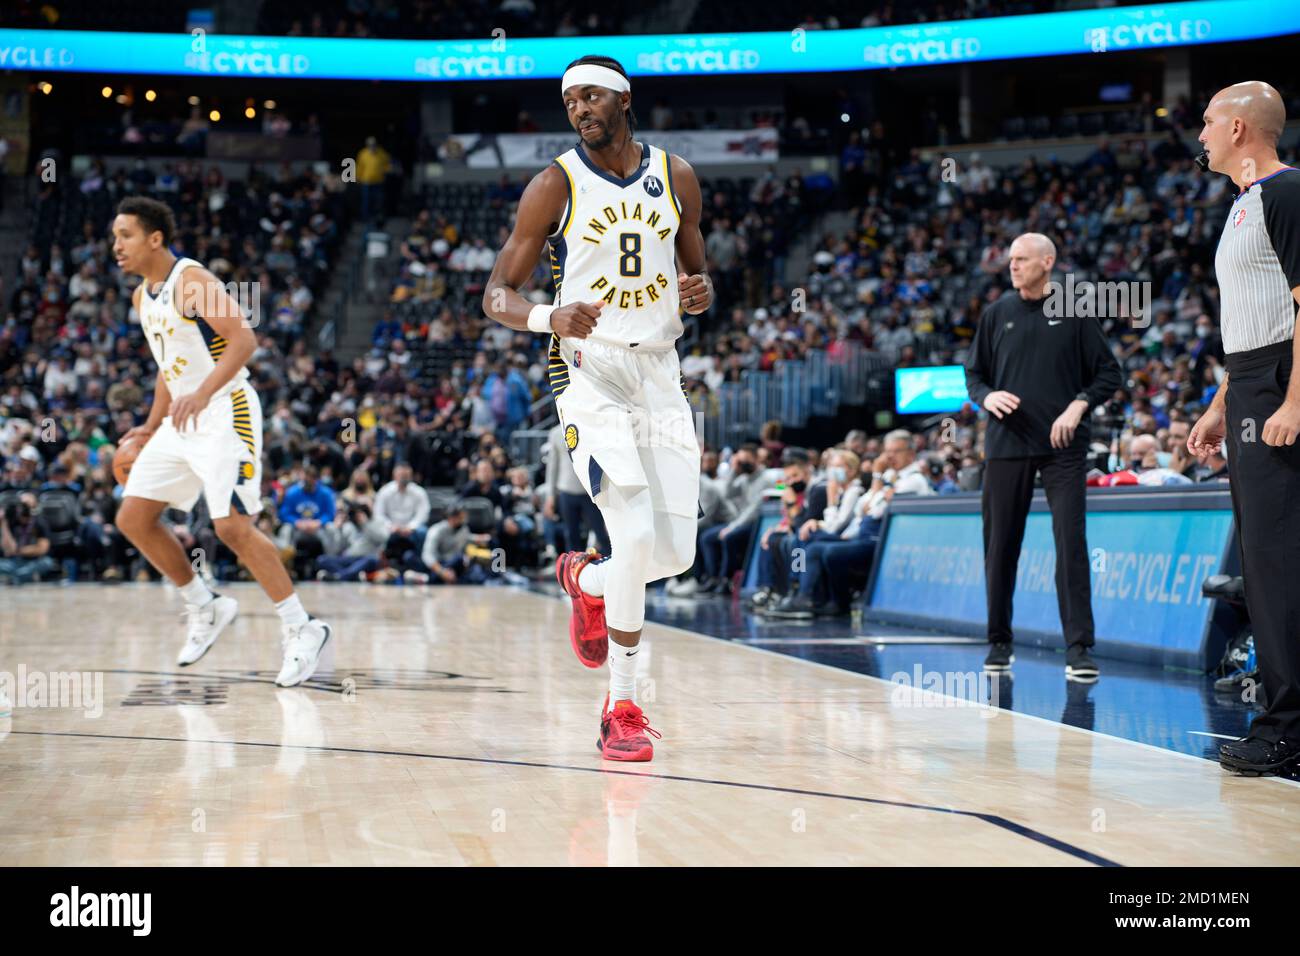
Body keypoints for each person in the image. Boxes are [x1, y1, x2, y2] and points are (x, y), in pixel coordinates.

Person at [483, 55, 710, 761]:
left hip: (660, 369)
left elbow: (697, 272)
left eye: (591, 97)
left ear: (623, 99)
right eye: (570, 101)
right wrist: (547, 316)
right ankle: (622, 707)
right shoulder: (554, 184)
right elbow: (495, 294)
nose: (580, 109)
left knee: (675, 554)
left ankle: (585, 579)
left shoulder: (676, 175)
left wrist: (702, 290)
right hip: (588, 366)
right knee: (633, 531)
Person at [110, 197, 332, 685]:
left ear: (154, 238)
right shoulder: (142, 297)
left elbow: (244, 340)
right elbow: (169, 365)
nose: (116, 246)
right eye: (114, 237)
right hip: (181, 416)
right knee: (133, 517)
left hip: (225, 409)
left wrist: (202, 394)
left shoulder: (191, 280)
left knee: (231, 526)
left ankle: (304, 628)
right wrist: (150, 425)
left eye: (125, 235)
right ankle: (204, 604)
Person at [1187, 81, 1300, 776]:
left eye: (1207, 121)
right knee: (1266, 557)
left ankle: (1285, 728)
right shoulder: (1241, 204)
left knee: (1276, 557)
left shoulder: (1286, 193)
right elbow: (1252, 321)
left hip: (1281, 382)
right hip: (1252, 379)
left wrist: (1293, 402)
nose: (1199, 134)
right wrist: (1221, 403)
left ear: (1237, 129)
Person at [964, 231, 1122, 681]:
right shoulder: (997, 313)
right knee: (1000, 545)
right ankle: (999, 641)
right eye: (1011, 259)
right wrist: (987, 396)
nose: (1012, 266)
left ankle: (1079, 649)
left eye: (1021, 259)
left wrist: (1079, 404)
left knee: (1070, 544)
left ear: (1047, 262)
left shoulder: (1076, 310)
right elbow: (973, 374)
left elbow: (1109, 373)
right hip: (1006, 444)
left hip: (1062, 447)